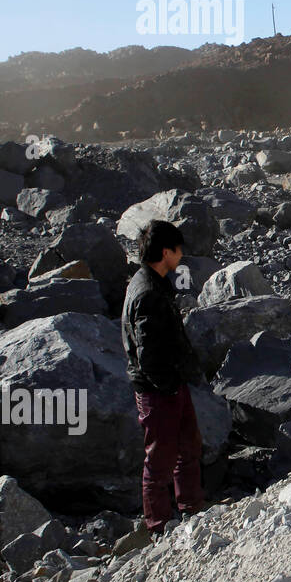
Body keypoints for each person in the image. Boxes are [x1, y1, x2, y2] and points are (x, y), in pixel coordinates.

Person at [121, 220, 206, 535]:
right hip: (158, 391)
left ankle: (191, 508)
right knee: (159, 459)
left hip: (171, 384)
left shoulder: (152, 283)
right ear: (166, 252)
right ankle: (158, 525)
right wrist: (168, 387)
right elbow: (148, 355)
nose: (182, 254)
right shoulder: (147, 294)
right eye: (178, 249)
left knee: (188, 446)